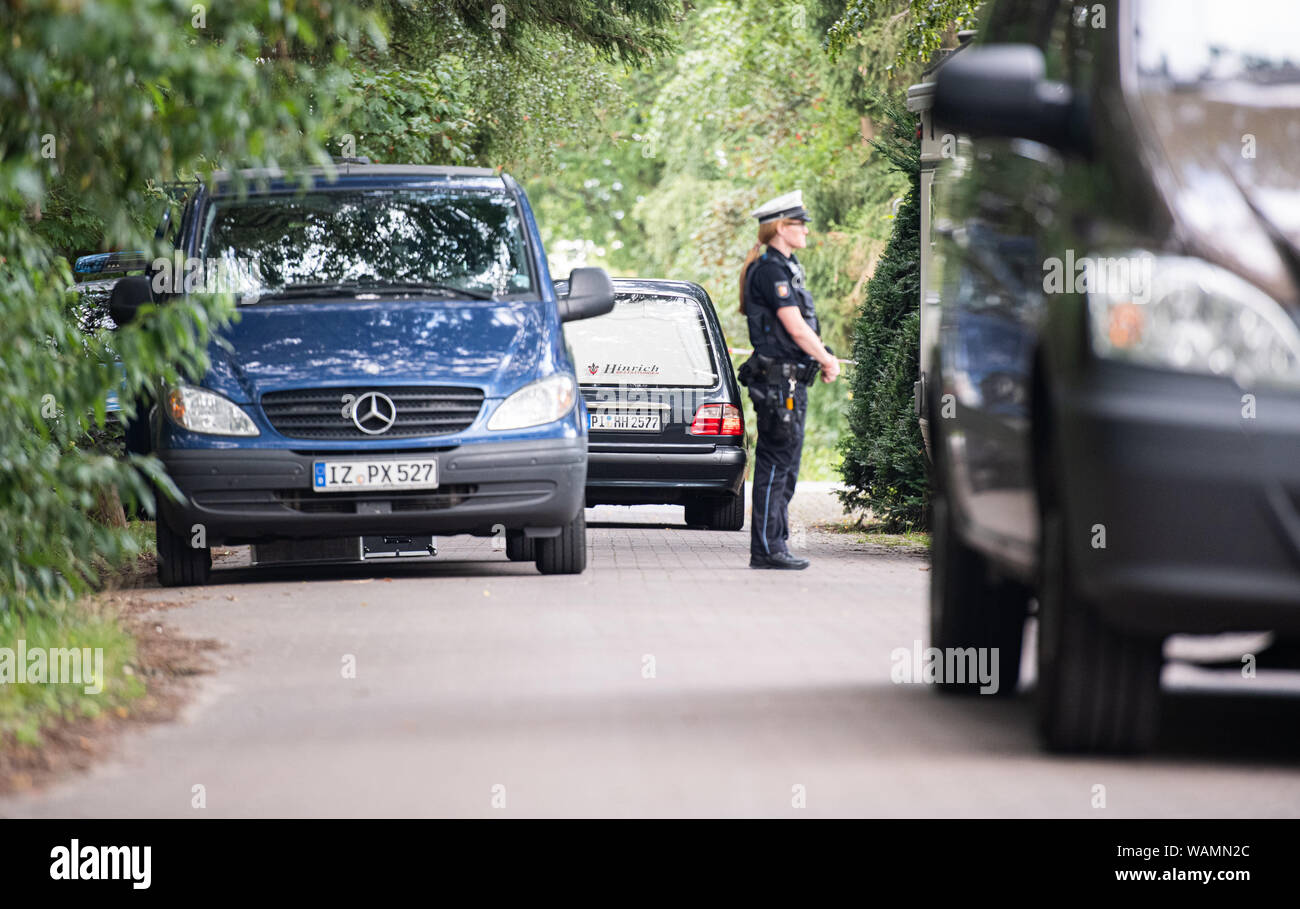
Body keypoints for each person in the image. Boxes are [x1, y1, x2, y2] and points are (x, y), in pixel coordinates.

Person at [738, 190, 839, 570]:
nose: (807, 233)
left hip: (791, 383)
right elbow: (795, 327)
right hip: (780, 383)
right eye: (802, 225)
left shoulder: (786, 267)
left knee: (788, 465)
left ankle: (775, 544)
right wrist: (826, 358)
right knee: (776, 462)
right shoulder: (770, 270)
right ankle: (767, 549)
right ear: (782, 227)